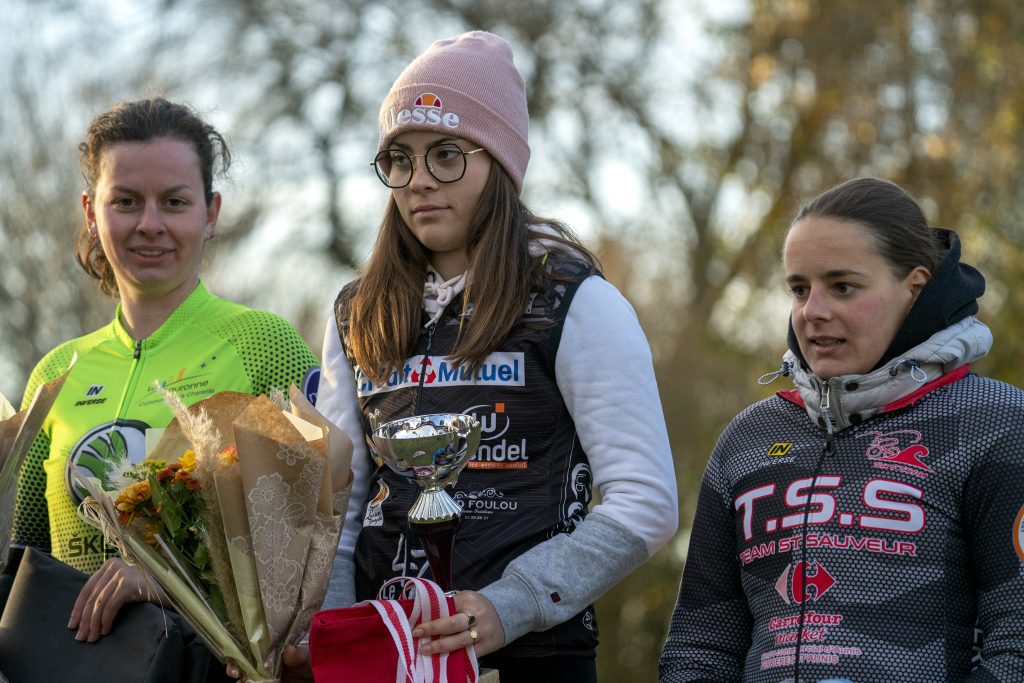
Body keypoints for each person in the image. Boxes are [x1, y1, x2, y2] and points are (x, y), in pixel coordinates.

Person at [312, 30, 677, 682]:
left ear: (500, 162)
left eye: (447, 154)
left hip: (529, 654)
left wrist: (509, 605)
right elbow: (337, 514)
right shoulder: (354, 311)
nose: (419, 181)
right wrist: (331, 638)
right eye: (398, 158)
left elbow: (645, 501)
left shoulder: (575, 298)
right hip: (382, 652)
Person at [659, 177, 1024, 682]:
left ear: (915, 286)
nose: (813, 312)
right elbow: (700, 649)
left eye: (843, 286)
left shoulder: (996, 422)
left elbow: (1017, 650)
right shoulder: (748, 438)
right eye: (799, 289)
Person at [12, 97, 320, 647]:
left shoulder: (264, 346)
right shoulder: (55, 373)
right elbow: (22, 561)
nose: (149, 224)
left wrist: (169, 583)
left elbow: (315, 545)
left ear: (211, 211)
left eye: (174, 202)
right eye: (126, 201)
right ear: (90, 211)